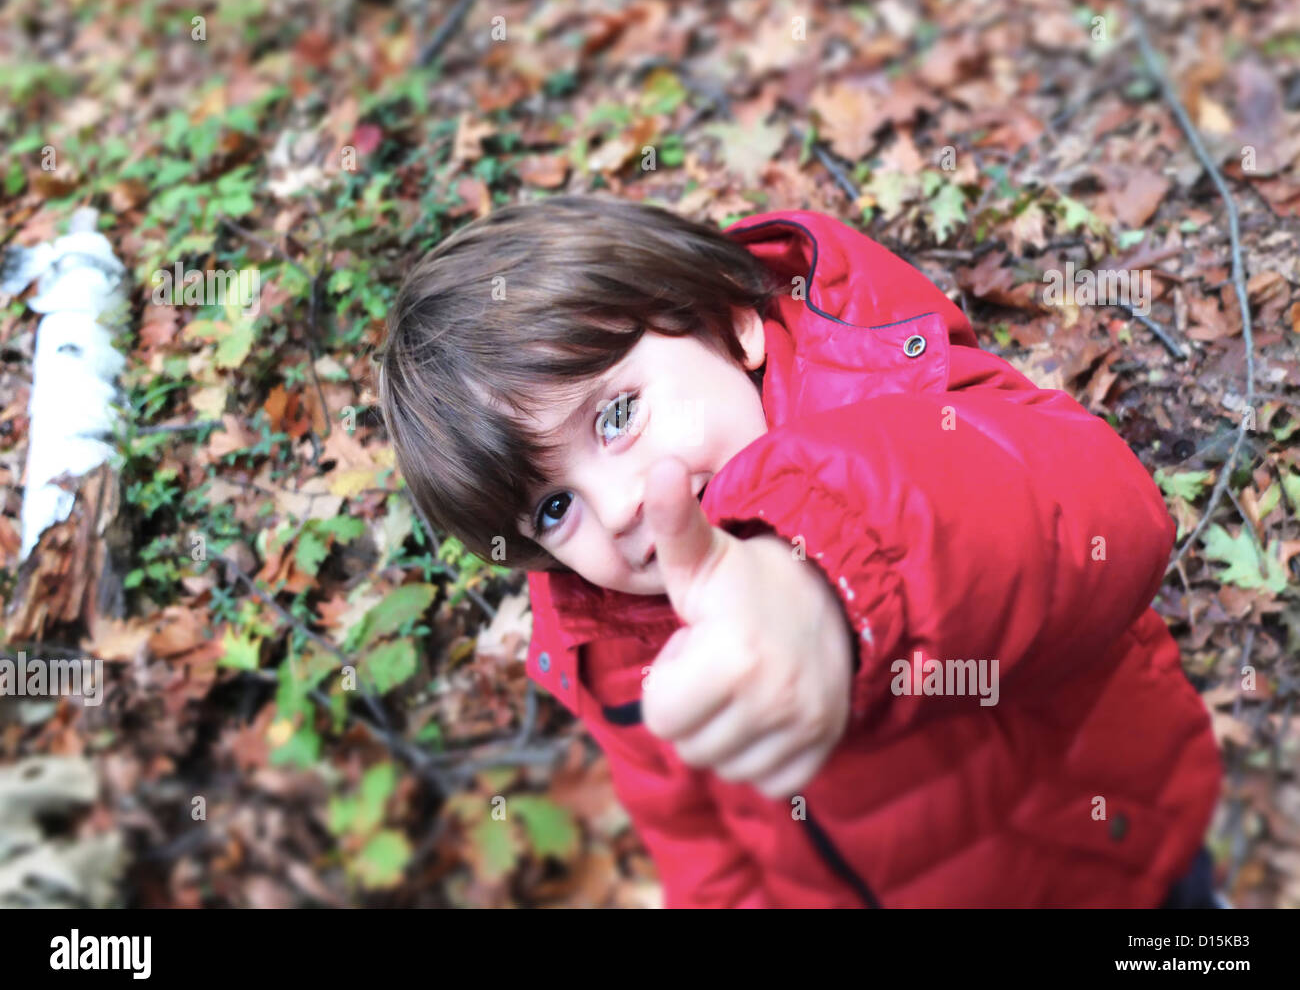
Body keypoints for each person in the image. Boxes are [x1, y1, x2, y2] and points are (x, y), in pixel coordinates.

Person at [377, 194, 1223, 908]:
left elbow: (1093, 511)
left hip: (1121, 868)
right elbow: (694, 836)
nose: (622, 504)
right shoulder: (608, 645)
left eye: (615, 415)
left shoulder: (890, 392)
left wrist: (828, 589)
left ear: (731, 325)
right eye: (556, 507)